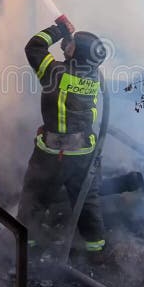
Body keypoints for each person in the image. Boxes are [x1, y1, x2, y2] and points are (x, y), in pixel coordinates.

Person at [17, 15, 108, 257]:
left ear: (75, 53)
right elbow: (77, 59)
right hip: (84, 151)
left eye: (71, 46)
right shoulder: (94, 74)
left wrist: (58, 30)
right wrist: (71, 43)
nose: (68, 46)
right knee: (87, 199)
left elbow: (34, 46)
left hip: (53, 152)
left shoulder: (54, 72)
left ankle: (28, 246)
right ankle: (96, 249)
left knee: (34, 195)